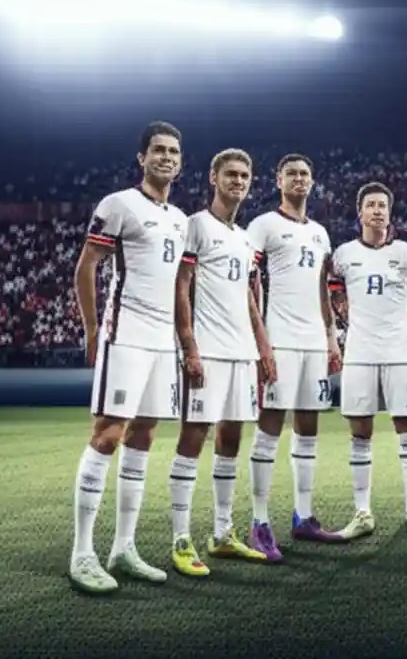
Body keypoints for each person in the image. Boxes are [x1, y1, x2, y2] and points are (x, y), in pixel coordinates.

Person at [68, 121, 187, 594]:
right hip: (127, 334)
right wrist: (93, 329)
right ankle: (81, 553)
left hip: (163, 342)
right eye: (158, 150)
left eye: (174, 152)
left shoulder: (179, 218)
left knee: (144, 435)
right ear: (141, 158)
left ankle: (124, 547)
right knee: (107, 434)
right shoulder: (118, 204)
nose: (166, 157)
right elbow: (86, 267)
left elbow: (179, 285)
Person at [167, 148, 272, 577]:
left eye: (245, 175)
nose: (238, 181)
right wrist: (189, 346)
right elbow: (181, 285)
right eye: (230, 174)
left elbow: (249, 298)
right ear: (213, 177)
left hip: (241, 353)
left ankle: (222, 533)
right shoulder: (196, 226)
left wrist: (264, 348)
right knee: (194, 436)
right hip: (207, 350)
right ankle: (180, 537)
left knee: (231, 438)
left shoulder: (245, 237)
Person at [244, 154, 345, 561]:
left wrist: (332, 337)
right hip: (280, 339)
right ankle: (259, 521)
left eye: (305, 173)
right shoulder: (263, 226)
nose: (299, 179)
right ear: (278, 180)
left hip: (314, 342)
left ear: (312, 181)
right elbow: (249, 282)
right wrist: (261, 341)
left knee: (308, 428)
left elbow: (324, 291)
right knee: (269, 428)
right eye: (292, 173)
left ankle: (303, 516)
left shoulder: (321, 233)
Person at [328, 182, 407, 541]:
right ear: (360, 213)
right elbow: (329, 291)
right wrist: (340, 322)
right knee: (360, 433)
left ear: (390, 213)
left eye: (382, 205)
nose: (377, 210)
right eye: (370, 205)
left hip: (399, 352)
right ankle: (362, 512)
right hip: (358, 354)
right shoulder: (343, 255)